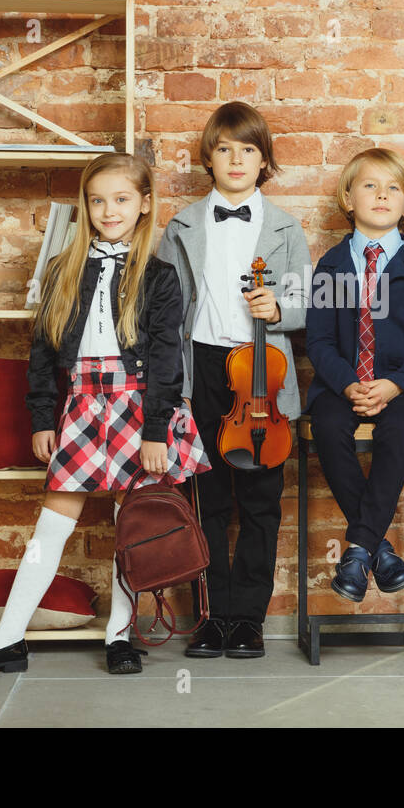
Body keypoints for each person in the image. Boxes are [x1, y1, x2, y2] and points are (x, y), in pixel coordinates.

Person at [0, 152, 210, 678]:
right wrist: (44, 418)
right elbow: (41, 354)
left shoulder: (159, 277)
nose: (109, 211)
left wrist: (156, 431)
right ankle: (7, 639)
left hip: (138, 405)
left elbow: (165, 361)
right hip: (83, 405)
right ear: (85, 207)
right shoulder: (63, 271)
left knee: (128, 525)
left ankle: (119, 636)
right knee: (51, 527)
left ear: (144, 205)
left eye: (121, 199)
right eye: (97, 201)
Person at [156, 101, 310, 659]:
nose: (236, 159)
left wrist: (280, 309)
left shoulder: (286, 227)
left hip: (263, 376)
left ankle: (247, 618)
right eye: (225, 149)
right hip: (203, 370)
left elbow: (307, 304)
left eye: (248, 149)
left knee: (262, 501)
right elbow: (163, 308)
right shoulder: (182, 225)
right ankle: (211, 616)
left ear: (264, 160)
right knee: (208, 501)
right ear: (208, 158)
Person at [305, 148, 404, 601]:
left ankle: (359, 549)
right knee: (326, 425)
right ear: (348, 198)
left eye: (393, 188)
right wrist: (349, 384)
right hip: (342, 382)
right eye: (369, 185)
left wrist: (393, 385)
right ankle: (378, 550)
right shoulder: (332, 264)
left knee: (397, 428)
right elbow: (320, 343)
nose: (381, 195)